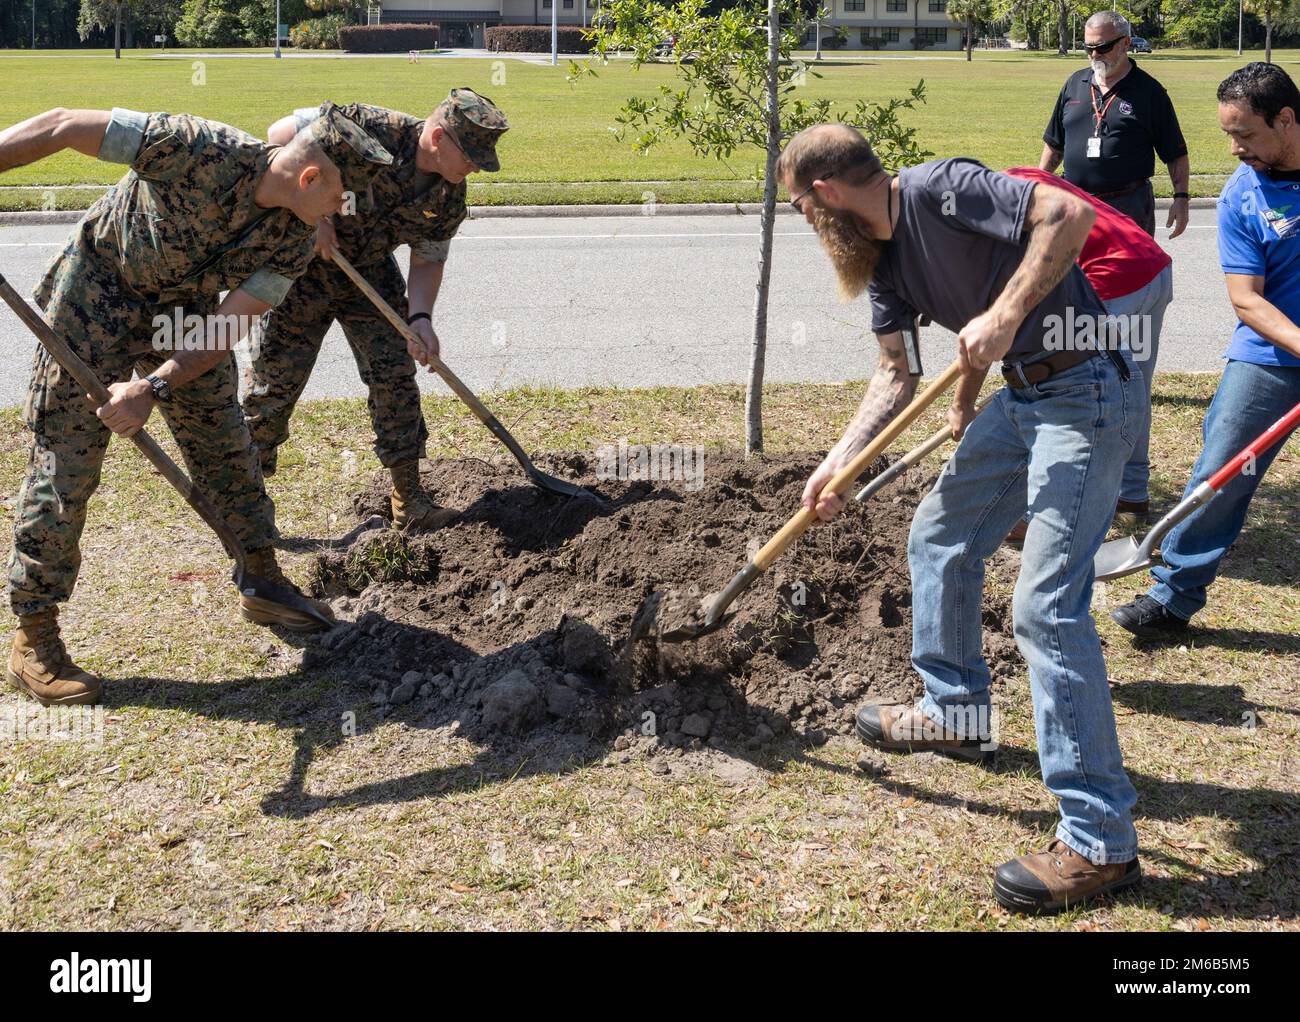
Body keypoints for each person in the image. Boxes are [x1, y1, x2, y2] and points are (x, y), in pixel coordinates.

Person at [781, 123, 1146, 913]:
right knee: (939, 536)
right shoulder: (885, 264)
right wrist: (841, 462)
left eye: (802, 210)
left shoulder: (941, 189)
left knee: (1045, 609)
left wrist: (1008, 311)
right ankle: (955, 713)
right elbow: (893, 372)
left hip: (1085, 395)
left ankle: (1101, 842)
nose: (809, 226)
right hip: (1024, 398)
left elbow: (1067, 217)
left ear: (825, 193)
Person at [0, 105, 389, 706]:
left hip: (183, 319)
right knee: (66, 465)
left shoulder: (293, 237)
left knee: (228, 449)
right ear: (311, 178)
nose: (344, 211)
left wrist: (153, 387)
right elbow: (62, 124)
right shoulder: (196, 147)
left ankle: (260, 576)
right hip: (94, 299)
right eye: (345, 197)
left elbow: (229, 324)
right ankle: (34, 634)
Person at [241, 89, 508, 531]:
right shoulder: (369, 127)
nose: (477, 165)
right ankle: (245, 510)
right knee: (273, 387)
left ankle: (410, 500)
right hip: (301, 269)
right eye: (472, 154)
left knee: (395, 378)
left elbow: (428, 258)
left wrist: (420, 319)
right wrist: (313, 220)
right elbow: (278, 134)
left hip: (368, 273)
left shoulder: (449, 195)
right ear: (438, 137)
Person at [1112, 63, 1300, 637]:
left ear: (1287, 119)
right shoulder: (1244, 194)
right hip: (1271, 354)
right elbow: (1246, 300)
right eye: (1228, 135)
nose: (1235, 147)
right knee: (1221, 467)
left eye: (1245, 133)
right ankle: (1172, 594)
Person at [1006, 166, 1173, 530]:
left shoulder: (990, 211)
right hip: (1151, 268)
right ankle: (1132, 496)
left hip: (1113, 282)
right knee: (1134, 385)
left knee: (1066, 394)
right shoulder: (1022, 175)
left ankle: (1043, 511)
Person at [1041, 10, 1189, 239]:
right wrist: (1038, 187)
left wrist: (1181, 199)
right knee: (1074, 274)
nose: (1094, 55)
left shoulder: (1149, 92)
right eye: (1087, 48)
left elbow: (1175, 153)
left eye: (1103, 47)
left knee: (1128, 274)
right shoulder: (1074, 83)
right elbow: (1054, 144)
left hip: (1128, 206)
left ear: (1126, 43)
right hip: (1074, 204)